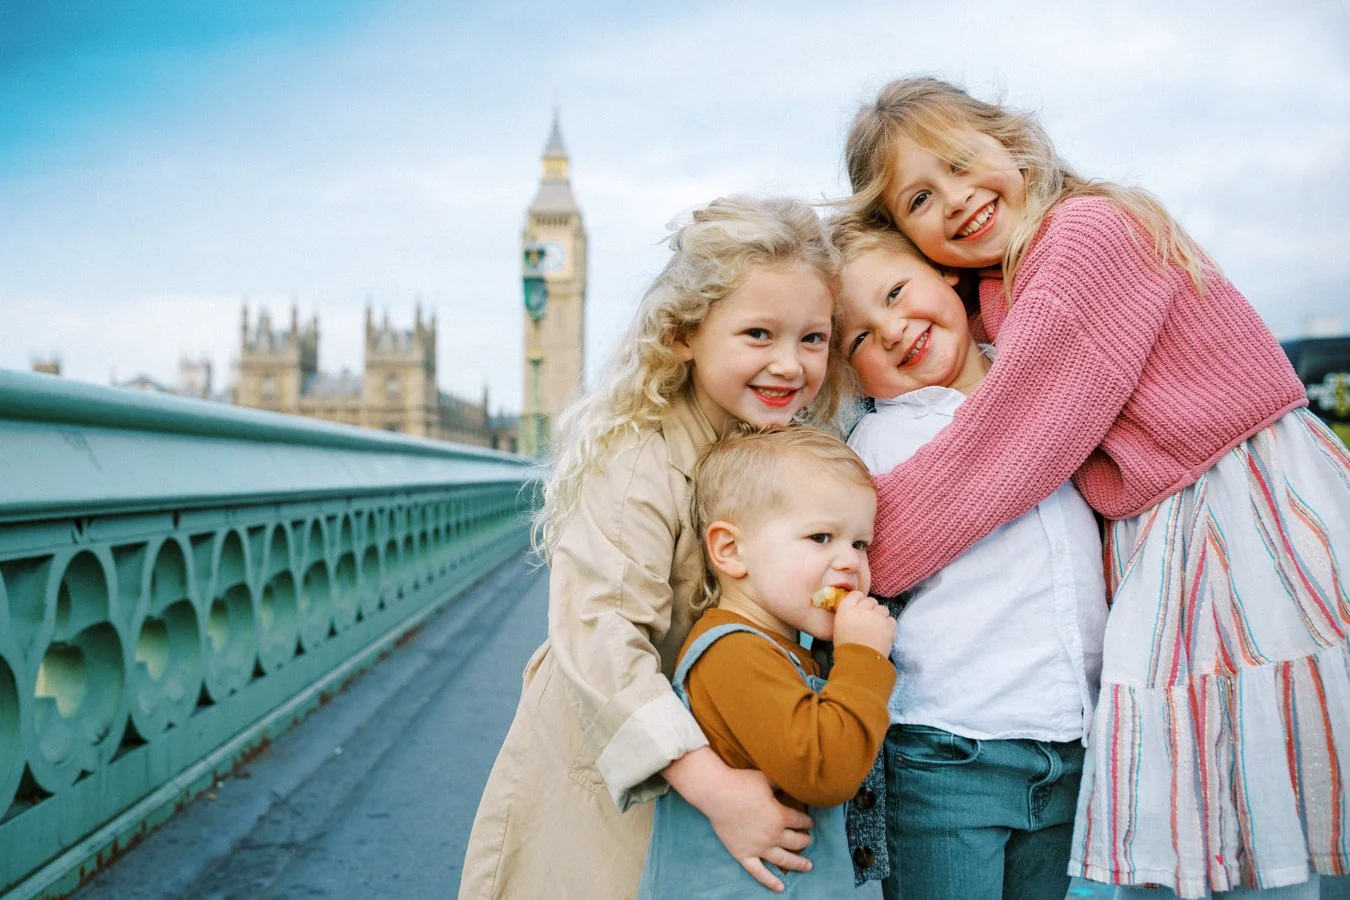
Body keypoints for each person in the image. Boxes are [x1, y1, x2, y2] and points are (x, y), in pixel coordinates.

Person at [841, 75, 1350, 899]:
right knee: (1228, 811)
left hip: (1232, 513)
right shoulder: (1004, 290)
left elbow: (1006, 446)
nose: (957, 199)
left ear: (1014, 144)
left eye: (962, 163)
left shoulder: (1085, 236)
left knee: (1251, 801)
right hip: (1179, 524)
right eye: (920, 199)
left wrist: (844, 557)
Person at [459, 195, 851, 899]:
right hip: (617, 768)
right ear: (681, 334)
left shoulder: (780, 452)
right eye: (758, 334)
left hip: (711, 752)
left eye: (812, 339)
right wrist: (714, 788)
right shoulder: (638, 457)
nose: (789, 364)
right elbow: (602, 634)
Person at [829, 213, 1108, 900]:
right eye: (859, 337)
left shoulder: (1049, 395)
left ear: (943, 272)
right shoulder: (874, 448)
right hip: (947, 752)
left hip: (1070, 742)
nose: (891, 330)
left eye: (896, 293)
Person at [637, 426, 896, 898]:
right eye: (821, 537)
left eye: (860, 544)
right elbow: (825, 769)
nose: (849, 562)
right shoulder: (732, 653)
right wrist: (864, 657)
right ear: (731, 550)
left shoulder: (782, 648)